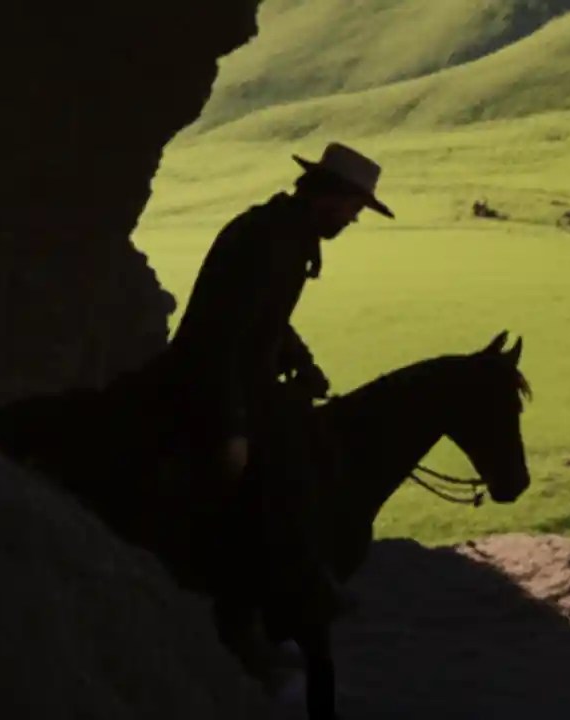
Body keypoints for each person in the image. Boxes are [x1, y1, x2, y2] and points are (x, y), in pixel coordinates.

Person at [156, 142, 394, 697]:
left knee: (303, 441)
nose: (354, 219)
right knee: (276, 476)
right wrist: (233, 425)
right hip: (212, 381)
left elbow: (264, 320)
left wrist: (299, 360)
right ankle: (251, 617)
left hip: (240, 376)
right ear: (331, 197)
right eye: (354, 207)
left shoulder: (282, 232)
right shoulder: (272, 239)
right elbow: (223, 333)